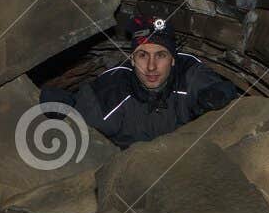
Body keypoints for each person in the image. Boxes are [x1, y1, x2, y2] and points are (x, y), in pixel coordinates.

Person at [52, 14, 241, 147]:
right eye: (142, 55)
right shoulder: (112, 91)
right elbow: (80, 117)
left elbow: (221, 88)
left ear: (174, 59)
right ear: (132, 60)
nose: (151, 67)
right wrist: (64, 106)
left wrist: (222, 92)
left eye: (160, 55)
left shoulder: (189, 74)